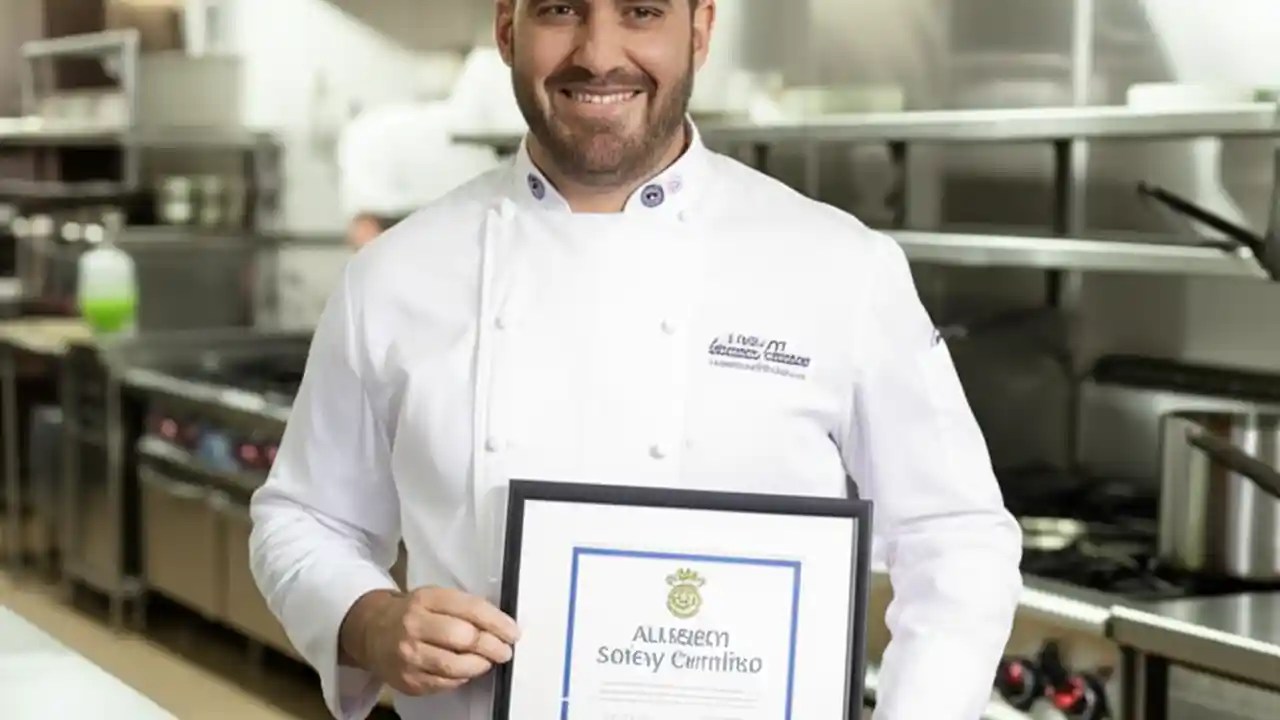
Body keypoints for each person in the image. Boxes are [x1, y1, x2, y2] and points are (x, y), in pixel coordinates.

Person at [248, 1, 1023, 719]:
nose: (598, 53)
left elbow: (956, 537)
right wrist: (368, 618)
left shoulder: (841, 267)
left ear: (700, 28)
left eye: (641, 10)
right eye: (560, 9)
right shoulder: (395, 275)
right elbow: (302, 517)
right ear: (507, 29)